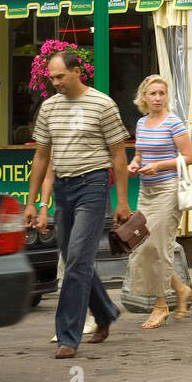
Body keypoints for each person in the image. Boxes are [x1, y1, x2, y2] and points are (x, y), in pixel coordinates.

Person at [24, 50, 130, 359]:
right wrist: (31, 202)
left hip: (92, 185)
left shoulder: (102, 104)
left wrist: (122, 201)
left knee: (78, 259)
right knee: (73, 258)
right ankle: (105, 310)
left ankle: (68, 335)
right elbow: (41, 157)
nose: (55, 82)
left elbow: (118, 156)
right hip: (62, 187)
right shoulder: (49, 107)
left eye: (60, 76)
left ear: (77, 72)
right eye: (51, 78)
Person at [126, 75, 192, 329]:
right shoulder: (142, 123)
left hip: (168, 190)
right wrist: (134, 164)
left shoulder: (173, 123)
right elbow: (139, 154)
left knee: (158, 247)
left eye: (161, 93)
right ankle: (181, 289)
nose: (157, 98)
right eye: (152, 93)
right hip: (146, 191)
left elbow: (189, 157)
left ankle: (160, 306)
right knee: (142, 245)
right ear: (144, 97)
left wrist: (159, 166)